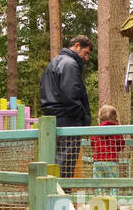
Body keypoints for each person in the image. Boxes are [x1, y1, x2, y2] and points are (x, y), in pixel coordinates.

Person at [39, 35, 93, 177]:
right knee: (66, 162)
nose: (86, 57)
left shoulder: (54, 63)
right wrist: (80, 116)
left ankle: (52, 193)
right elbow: (71, 95)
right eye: (85, 52)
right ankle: (60, 196)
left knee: (54, 160)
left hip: (52, 118)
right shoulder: (70, 64)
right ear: (76, 46)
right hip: (68, 119)